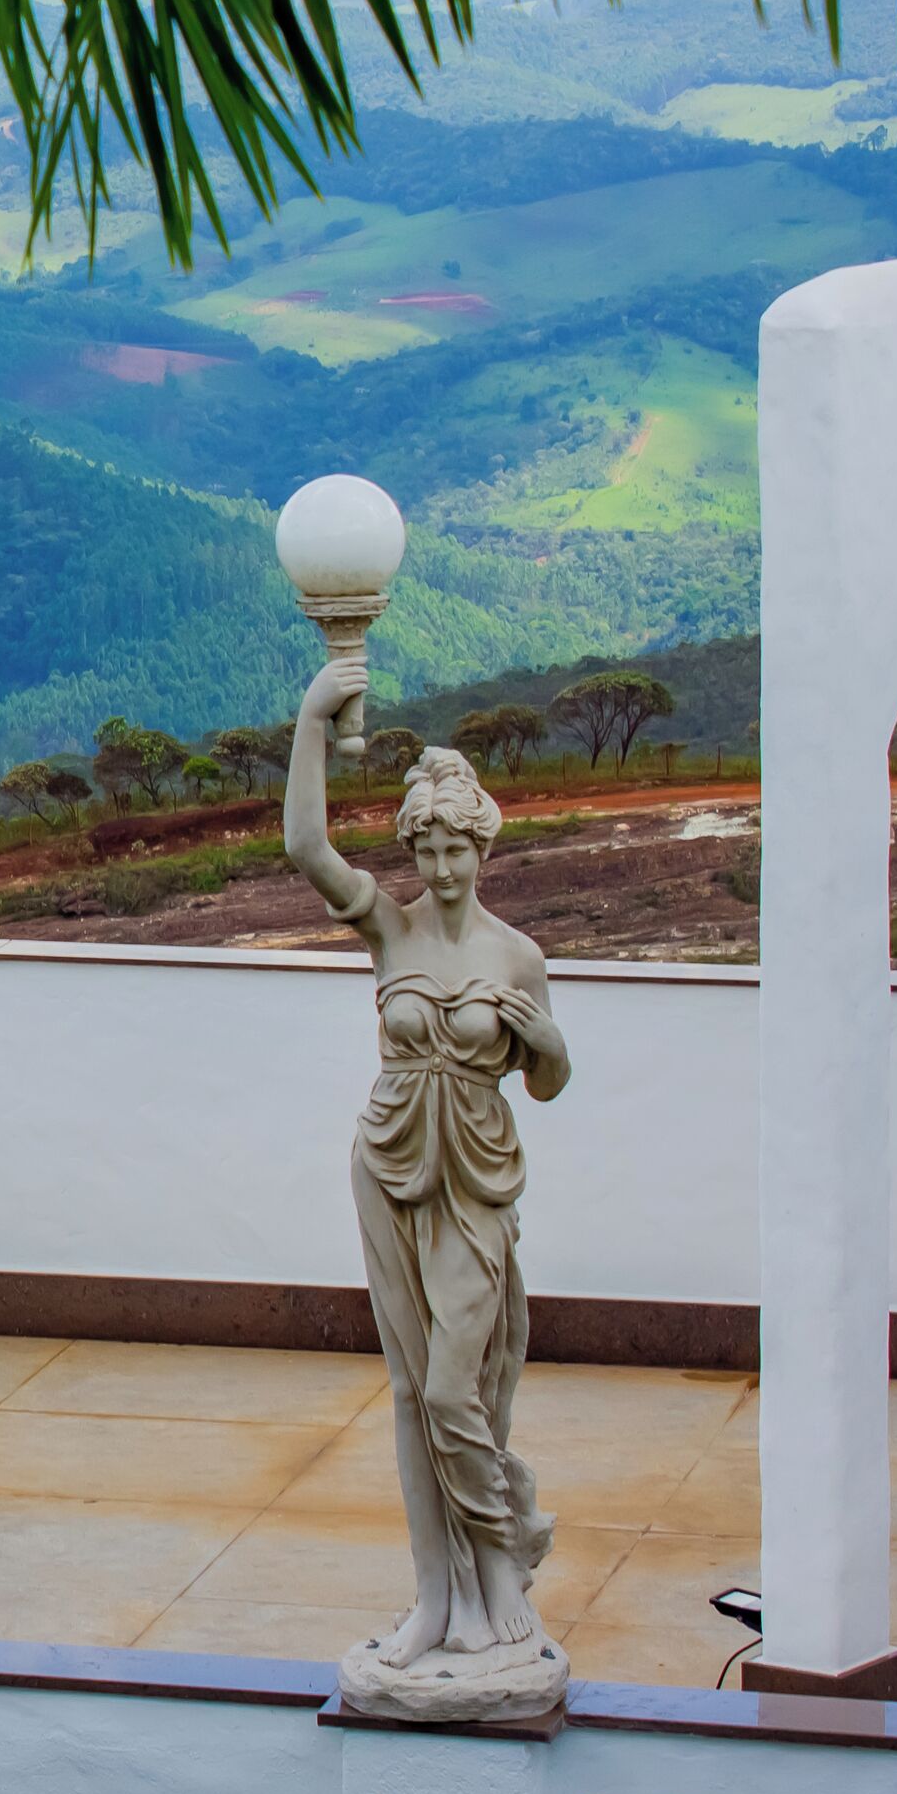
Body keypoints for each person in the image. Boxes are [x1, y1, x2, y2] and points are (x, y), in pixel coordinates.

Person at [283, 656, 571, 1675]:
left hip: (479, 1177)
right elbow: (306, 845)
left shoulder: (516, 956)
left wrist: (548, 1045)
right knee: (411, 1390)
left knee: (460, 1386)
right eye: (427, 849)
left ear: (481, 844)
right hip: (388, 1161)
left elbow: (548, 1081)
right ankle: (436, 1597)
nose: (441, 867)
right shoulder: (389, 929)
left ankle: (504, 1562)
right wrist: (316, 720)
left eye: (456, 848)